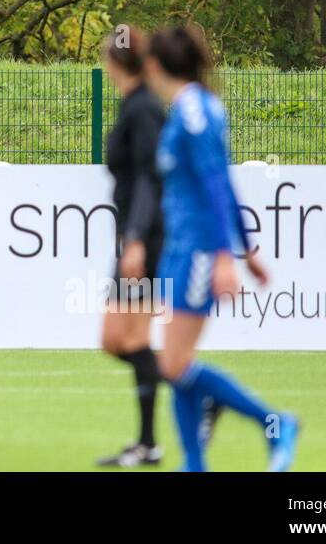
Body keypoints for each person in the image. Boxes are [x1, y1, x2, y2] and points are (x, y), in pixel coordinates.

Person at [145, 25, 299, 472]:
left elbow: (216, 182)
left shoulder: (195, 111)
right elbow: (220, 183)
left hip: (197, 251)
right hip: (181, 249)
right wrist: (247, 249)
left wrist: (223, 256)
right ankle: (195, 464)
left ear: (157, 64)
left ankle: (275, 422)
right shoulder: (188, 109)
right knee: (175, 364)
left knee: (172, 364)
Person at [96, 28, 167, 468]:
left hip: (146, 238)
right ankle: (197, 389)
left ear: (114, 62)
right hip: (134, 236)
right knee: (113, 339)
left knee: (133, 337)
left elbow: (148, 177)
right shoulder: (134, 104)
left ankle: (147, 443)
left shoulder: (144, 108)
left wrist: (136, 240)